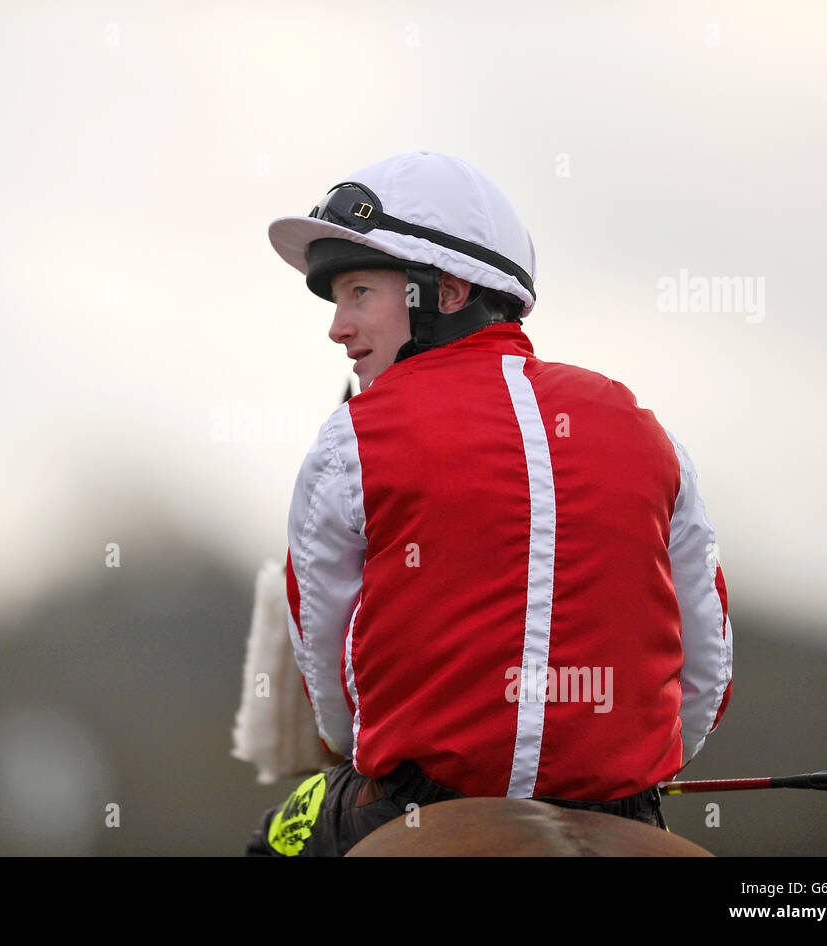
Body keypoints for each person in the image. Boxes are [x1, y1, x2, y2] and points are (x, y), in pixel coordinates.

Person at [245, 151, 733, 857]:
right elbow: (707, 662)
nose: (338, 328)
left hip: (414, 804)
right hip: (627, 807)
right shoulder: (646, 428)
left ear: (444, 292)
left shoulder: (351, 437)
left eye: (358, 293)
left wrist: (374, 764)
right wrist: (635, 783)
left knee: (276, 841)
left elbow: (326, 660)